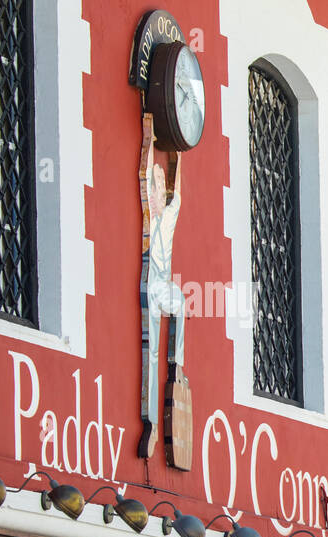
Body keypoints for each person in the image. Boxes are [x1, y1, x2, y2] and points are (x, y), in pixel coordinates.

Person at [138, 113, 185, 459]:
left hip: (164, 284)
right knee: (148, 355)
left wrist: (177, 156)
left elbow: (177, 189)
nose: (158, 187)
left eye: (160, 183)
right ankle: (151, 425)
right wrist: (149, 138)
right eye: (154, 184)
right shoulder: (151, 214)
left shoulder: (168, 214)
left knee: (182, 305)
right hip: (151, 285)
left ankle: (176, 362)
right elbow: (144, 170)